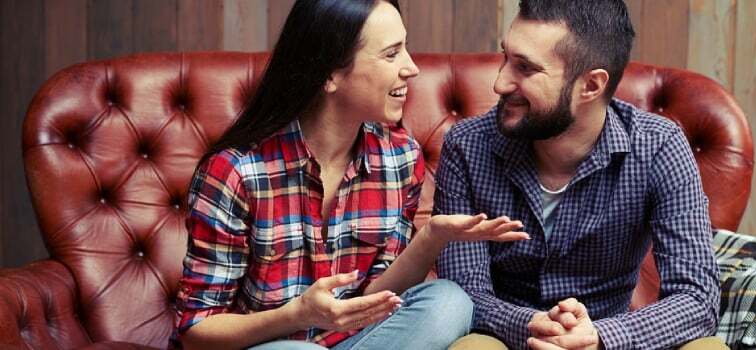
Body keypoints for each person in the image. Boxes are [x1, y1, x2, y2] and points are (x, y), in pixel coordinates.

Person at [173, 1, 529, 349]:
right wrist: (296, 315)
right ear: (330, 73)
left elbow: (374, 301)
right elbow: (196, 331)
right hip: (271, 343)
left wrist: (430, 240)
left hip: (357, 340)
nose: (411, 68)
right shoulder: (235, 172)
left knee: (450, 302)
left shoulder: (401, 157)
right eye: (391, 54)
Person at [435, 1, 727, 349]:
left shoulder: (658, 147)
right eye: (506, 59)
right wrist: (533, 325)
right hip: (505, 339)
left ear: (590, 85)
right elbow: (464, 293)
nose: (500, 83)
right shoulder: (467, 146)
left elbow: (697, 299)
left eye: (525, 68)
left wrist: (599, 337)